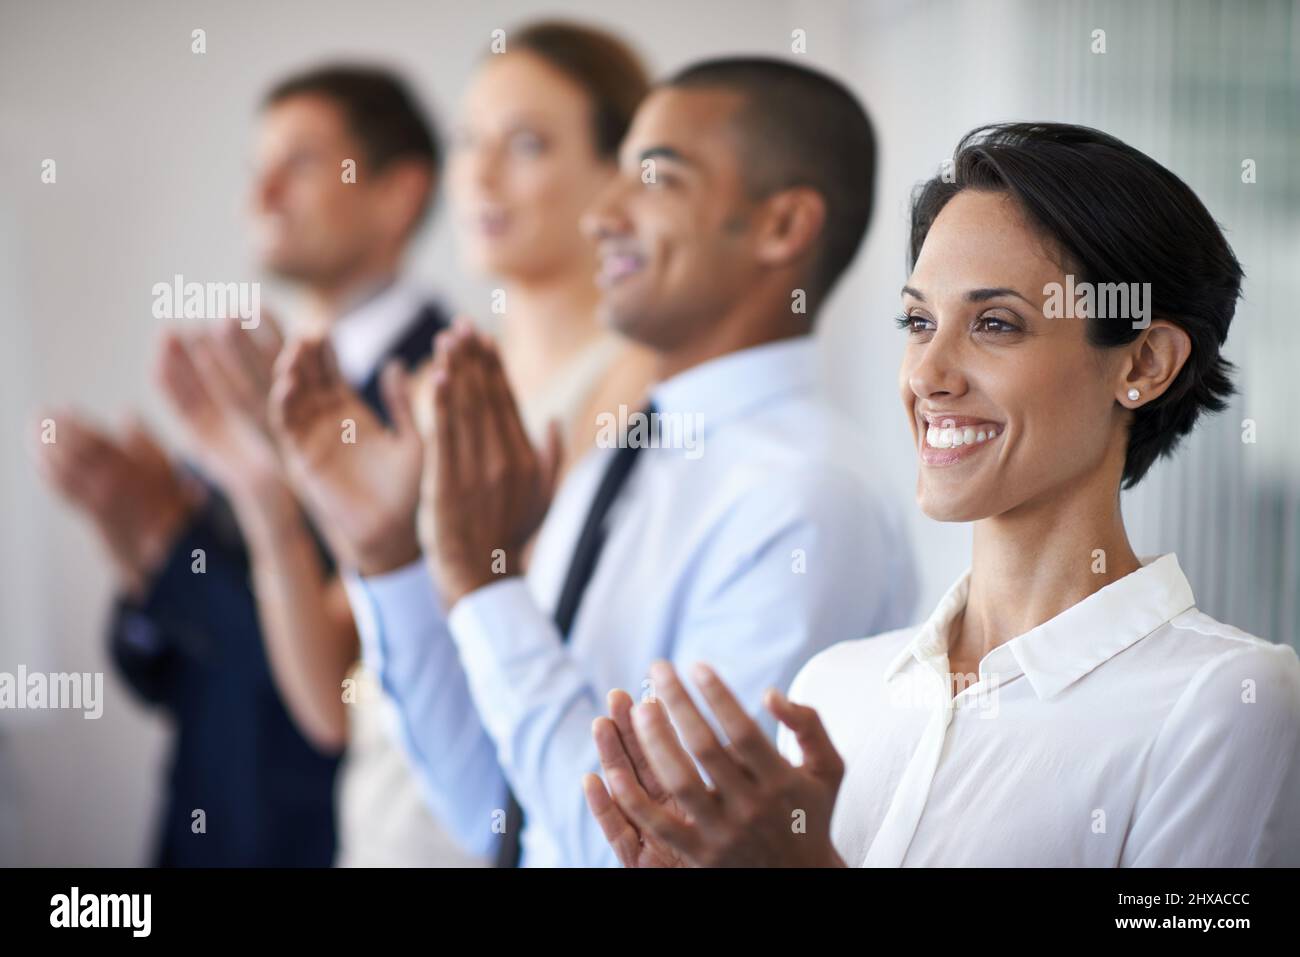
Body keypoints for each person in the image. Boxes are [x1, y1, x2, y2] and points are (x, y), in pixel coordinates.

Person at [582, 122, 1300, 868]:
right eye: (919, 321)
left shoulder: (1228, 702)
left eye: (995, 324)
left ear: (1145, 363)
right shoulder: (834, 689)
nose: (928, 374)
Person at [270, 56, 918, 868]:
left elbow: (642, 852)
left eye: (654, 179)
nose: (602, 214)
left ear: (782, 227)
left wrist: (481, 583)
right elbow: (499, 814)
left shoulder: (806, 501)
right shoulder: (625, 450)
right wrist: (392, 558)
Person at [257, 21, 656, 867]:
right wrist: (264, 484)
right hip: (381, 834)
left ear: (620, 171)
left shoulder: (636, 387)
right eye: (468, 141)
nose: (479, 172)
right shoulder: (441, 386)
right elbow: (332, 696)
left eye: (526, 143)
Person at [37, 64, 450, 866]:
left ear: (399, 192)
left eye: (298, 164)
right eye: (254, 169)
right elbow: (167, 673)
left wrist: (166, 542)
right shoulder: (246, 375)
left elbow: (341, 686)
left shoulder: (434, 388)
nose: (258, 197)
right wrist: (133, 550)